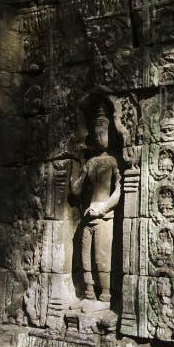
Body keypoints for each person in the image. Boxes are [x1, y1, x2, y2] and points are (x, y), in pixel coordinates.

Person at [70, 104, 121, 311]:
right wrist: (78, 170)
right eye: (96, 132)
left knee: (102, 258)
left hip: (104, 216)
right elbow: (75, 191)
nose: (99, 136)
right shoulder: (90, 162)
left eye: (103, 131)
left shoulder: (113, 161)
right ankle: (89, 294)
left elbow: (119, 190)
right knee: (85, 258)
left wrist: (103, 208)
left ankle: (106, 296)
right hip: (87, 215)